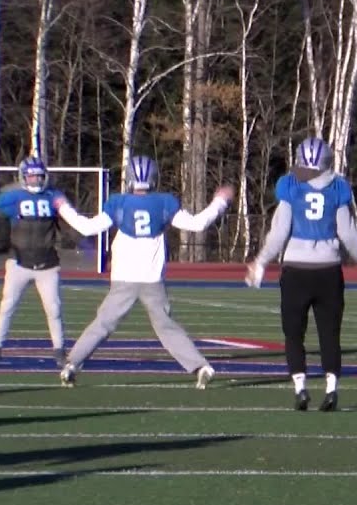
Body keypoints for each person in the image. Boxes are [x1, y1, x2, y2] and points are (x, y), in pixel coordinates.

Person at [54, 155, 232, 388]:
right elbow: (198, 224)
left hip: (124, 278)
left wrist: (63, 207)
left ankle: (72, 364)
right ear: (153, 178)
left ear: (129, 178)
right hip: (151, 278)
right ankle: (201, 366)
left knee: (103, 324)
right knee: (166, 327)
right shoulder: (163, 202)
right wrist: (219, 202)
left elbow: (86, 227)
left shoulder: (119, 203)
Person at [246, 136, 357, 412]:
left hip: (296, 269)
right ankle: (331, 389)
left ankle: (300, 387)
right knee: (330, 333)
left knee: (294, 334)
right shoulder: (337, 187)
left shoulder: (291, 186)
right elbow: (348, 232)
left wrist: (262, 261)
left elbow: (279, 232)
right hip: (328, 269)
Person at [0, 157, 70, 367]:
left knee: (54, 308)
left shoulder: (53, 197)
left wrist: (78, 237)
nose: (36, 179)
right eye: (31, 175)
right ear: (23, 176)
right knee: (7, 306)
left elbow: (68, 224)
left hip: (47, 263)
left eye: (39, 175)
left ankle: (59, 351)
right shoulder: (13, 198)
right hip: (19, 261)